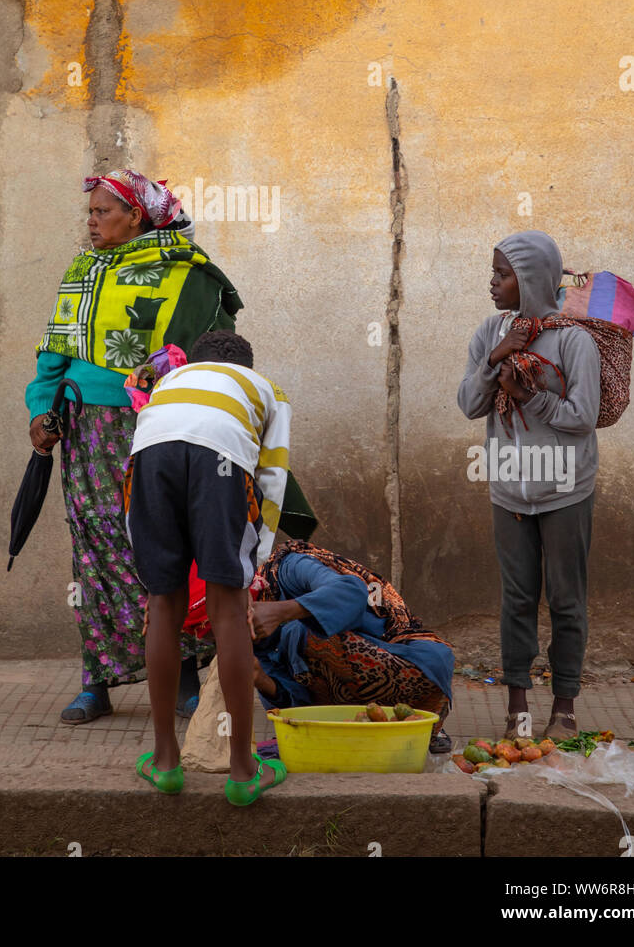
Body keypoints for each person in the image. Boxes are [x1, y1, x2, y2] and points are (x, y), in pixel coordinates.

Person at [26, 169, 243, 724]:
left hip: (158, 427)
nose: (92, 221)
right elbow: (53, 354)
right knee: (96, 548)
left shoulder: (184, 273)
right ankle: (96, 681)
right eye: (91, 212)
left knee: (164, 541)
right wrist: (39, 410)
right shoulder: (82, 272)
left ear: (136, 216)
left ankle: (185, 677)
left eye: (103, 212)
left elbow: (213, 354)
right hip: (85, 431)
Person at [124, 330, 290, 804]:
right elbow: (273, 475)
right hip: (222, 461)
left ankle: (165, 763)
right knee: (228, 612)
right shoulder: (266, 388)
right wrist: (254, 562)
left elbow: (143, 445)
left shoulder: (168, 382)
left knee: (163, 604)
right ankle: (241, 773)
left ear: (196, 360)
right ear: (248, 364)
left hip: (150, 459)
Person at [457, 230, 601, 741]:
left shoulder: (572, 341)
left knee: (566, 599)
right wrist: (495, 358)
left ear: (533, 279)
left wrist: (532, 397)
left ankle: (564, 705)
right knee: (517, 598)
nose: (493, 284)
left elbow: (584, 417)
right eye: (494, 274)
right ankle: (517, 703)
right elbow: (470, 405)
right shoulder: (490, 333)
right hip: (510, 491)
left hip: (566, 489)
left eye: (502, 275)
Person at [249, 541, 455, 752]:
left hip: (405, 658)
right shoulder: (251, 637)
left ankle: (419, 719)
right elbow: (293, 709)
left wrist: (281, 612)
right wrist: (260, 679)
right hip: (346, 700)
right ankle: (362, 733)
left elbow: (352, 591)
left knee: (300, 632)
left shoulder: (290, 568)